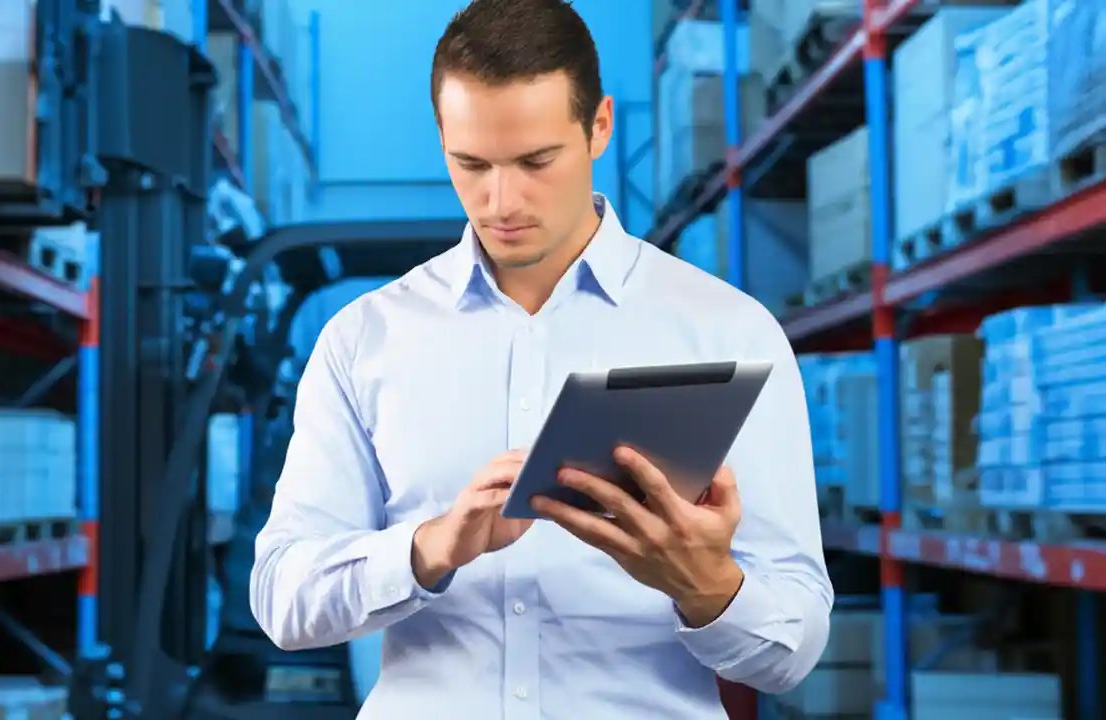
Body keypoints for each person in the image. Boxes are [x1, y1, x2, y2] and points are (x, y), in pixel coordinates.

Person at [249, 0, 834, 716]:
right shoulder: (364, 338)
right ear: (443, 140)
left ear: (600, 127)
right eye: (471, 164)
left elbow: (794, 650)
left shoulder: (727, 334)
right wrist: (431, 548)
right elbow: (283, 598)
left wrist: (704, 583)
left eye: (536, 161)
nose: (502, 201)